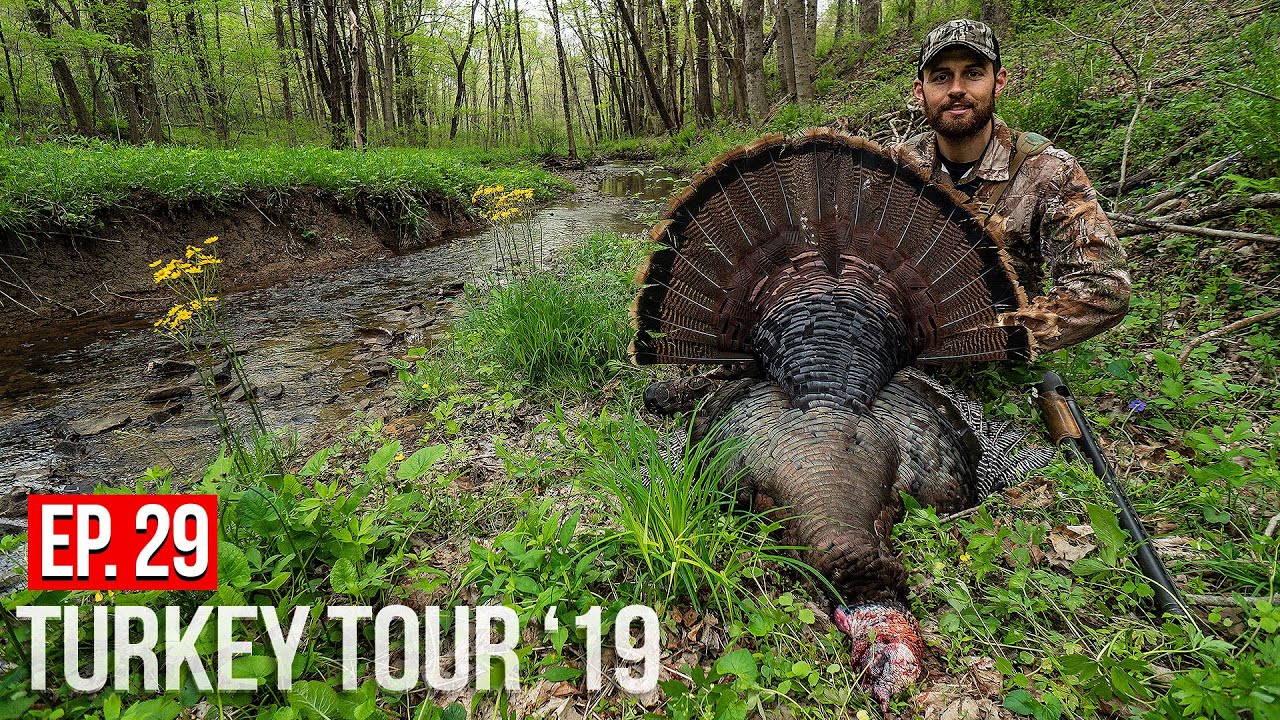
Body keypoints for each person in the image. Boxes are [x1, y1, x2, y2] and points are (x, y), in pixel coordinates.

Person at [893, 18, 1130, 353]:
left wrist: (995, 337)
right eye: (941, 77)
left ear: (999, 82)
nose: (956, 89)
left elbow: (1105, 287)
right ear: (920, 91)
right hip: (893, 349)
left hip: (993, 361)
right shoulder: (894, 168)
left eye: (973, 73)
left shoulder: (1048, 170)